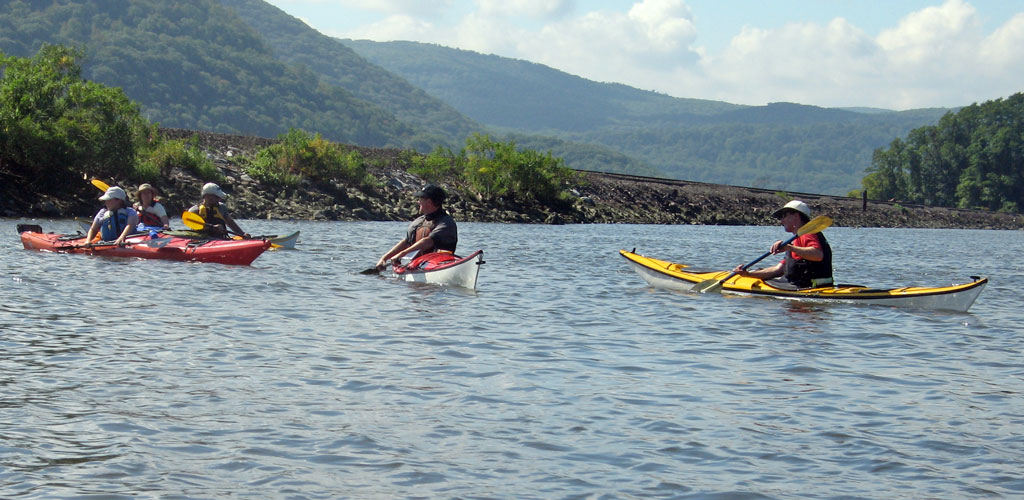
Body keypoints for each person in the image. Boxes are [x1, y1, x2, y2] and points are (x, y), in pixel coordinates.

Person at [731, 200, 833, 288]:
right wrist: (748, 274)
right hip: (803, 285)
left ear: (796, 216)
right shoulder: (798, 239)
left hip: (807, 287)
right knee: (761, 276)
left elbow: (818, 255)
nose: (781, 221)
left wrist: (789, 247)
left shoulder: (806, 235)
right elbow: (778, 270)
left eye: (784, 216)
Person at [375, 184, 457, 270]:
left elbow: (428, 242)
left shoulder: (446, 223)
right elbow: (406, 242)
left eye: (420, 199)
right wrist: (384, 258)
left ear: (429, 201)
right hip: (417, 265)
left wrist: (402, 254)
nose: (418, 202)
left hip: (440, 263)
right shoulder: (417, 222)